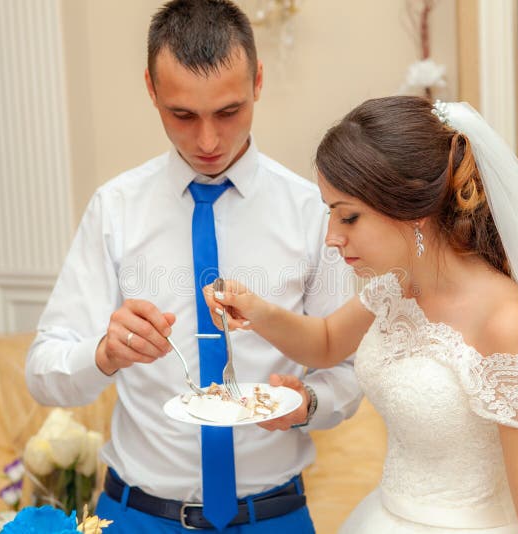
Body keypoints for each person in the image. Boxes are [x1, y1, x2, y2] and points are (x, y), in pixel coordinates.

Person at [205, 96, 518, 533]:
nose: (331, 237)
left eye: (347, 217)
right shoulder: (396, 286)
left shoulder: (505, 323)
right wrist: (257, 310)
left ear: (411, 210)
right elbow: (326, 342)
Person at [25, 1, 362, 532]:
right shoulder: (115, 209)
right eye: (182, 115)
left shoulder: (312, 213)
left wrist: (310, 402)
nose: (208, 141)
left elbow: (345, 370)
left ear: (258, 82)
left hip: (274, 516)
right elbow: (44, 374)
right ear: (151, 90)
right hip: (136, 516)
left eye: (228, 112)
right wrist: (103, 355)